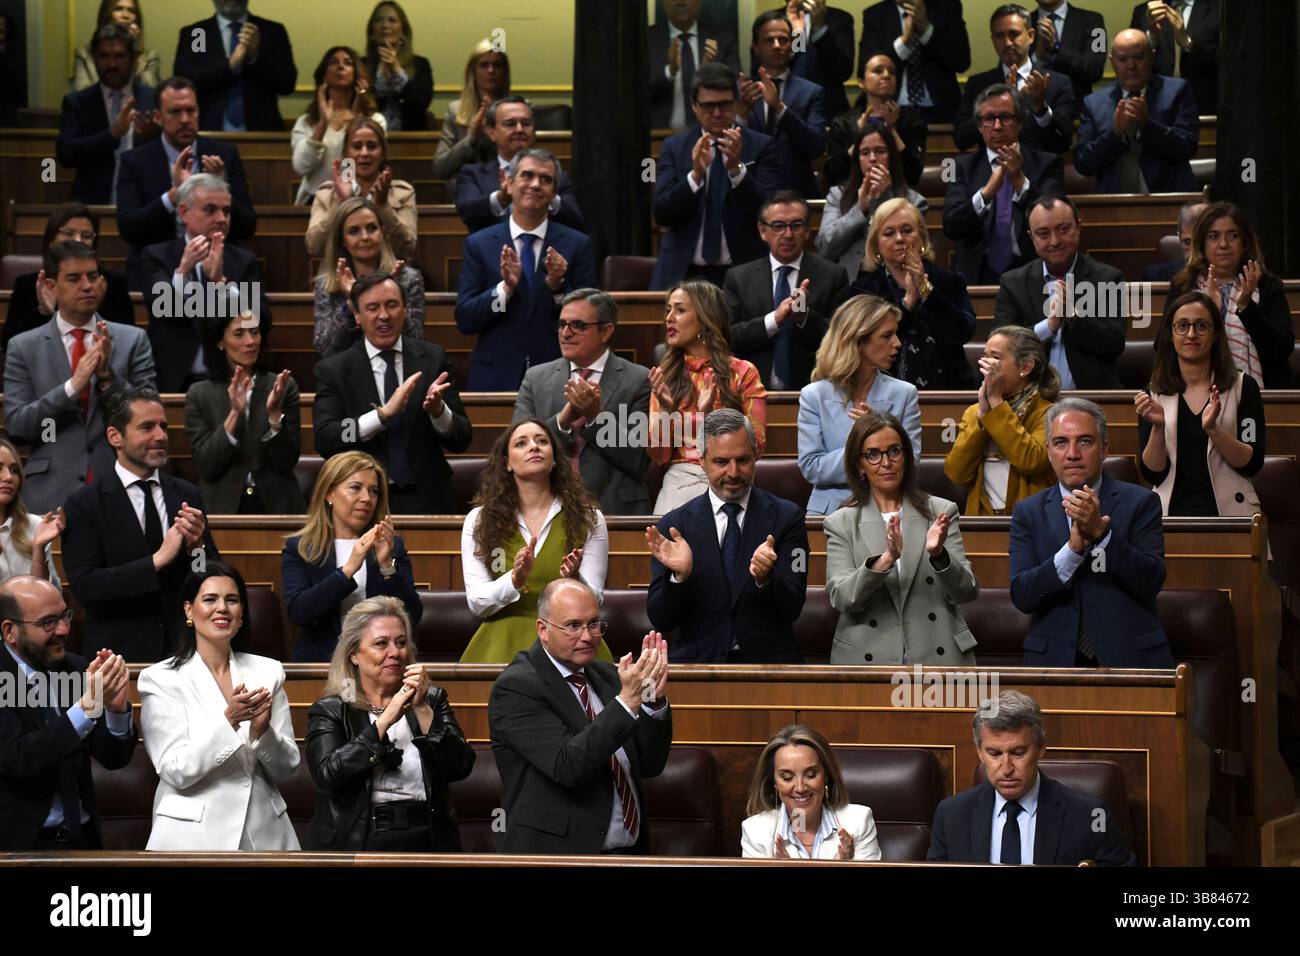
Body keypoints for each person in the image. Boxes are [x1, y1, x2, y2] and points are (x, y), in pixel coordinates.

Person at [488, 578, 672, 854]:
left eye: (594, 623)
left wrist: (651, 702)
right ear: (543, 629)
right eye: (574, 626)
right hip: (558, 856)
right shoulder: (516, 687)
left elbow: (651, 765)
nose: (587, 636)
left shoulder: (608, 677)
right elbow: (568, 766)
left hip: (628, 854)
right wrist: (627, 703)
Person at [137, 562, 300, 851]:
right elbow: (175, 770)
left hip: (263, 836)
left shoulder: (268, 671)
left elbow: (288, 768)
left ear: (241, 614)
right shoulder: (159, 679)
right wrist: (229, 722)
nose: (222, 608)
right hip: (192, 839)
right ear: (189, 610)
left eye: (232, 600)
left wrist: (263, 733)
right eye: (210, 599)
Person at [1009, 397, 1174, 667]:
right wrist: (1072, 552)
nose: (1072, 453)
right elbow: (1023, 595)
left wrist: (1102, 534)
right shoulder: (1028, 512)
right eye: (1061, 442)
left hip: (1131, 661)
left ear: (1104, 448)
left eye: (1085, 441)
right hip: (1054, 663)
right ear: (1049, 450)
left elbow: (1151, 581)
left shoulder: (1141, 502)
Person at [61, 387, 221, 663]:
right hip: (117, 658)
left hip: (183, 653)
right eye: (147, 427)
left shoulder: (187, 494)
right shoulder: (84, 503)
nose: (161, 436)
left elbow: (208, 577)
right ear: (115, 436)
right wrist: (156, 561)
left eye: (163, 426)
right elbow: (87, 589)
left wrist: (198, 548)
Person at [306, 597, 475, 851]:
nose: (395, 652)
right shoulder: (332, 709)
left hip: (428, 838)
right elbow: (327, 777)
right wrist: (384, 720)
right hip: (358, 841)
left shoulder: (431, 699)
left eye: (401, 642)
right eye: (381, 643)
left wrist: (422, 710)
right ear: (354, 655)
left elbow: (460, 766)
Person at [3, 242, 156, 514]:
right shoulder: (24, 347)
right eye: (74, 278)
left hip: (120, 482)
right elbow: (17, 427)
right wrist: (70, 388)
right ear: (50, 287)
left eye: (93, 276)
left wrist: (109, 378)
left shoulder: (132, 340)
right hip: (49, 490)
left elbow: (149, 419)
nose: (87, 286)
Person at [647, 409, 807, 662]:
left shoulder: (789, 519)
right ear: (702, 460)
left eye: (742, 460)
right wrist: (680, 578)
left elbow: (793, 606)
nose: (733, 472)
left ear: (757, 456)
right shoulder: (674, 526)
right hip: (697, 669)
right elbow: (660, 619)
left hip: (770, 668)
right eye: (721, 462)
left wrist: (766, 579)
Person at [824, 411, 978, 664]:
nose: (886, 462)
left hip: (937, 653)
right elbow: (842, 598)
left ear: (906, 457)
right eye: (873, 454)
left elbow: (967, 591)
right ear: (859, 465)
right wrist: (885, 560)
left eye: (894, 451)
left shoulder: (941, 511)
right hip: (868, 657)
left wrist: (939, 556)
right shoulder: (841, 522)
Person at [314, 273, 472, 515]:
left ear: (405, 309)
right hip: (363, 502)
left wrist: (439, 413)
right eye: (372, 308)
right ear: (357, 315)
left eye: (392, 305)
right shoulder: (334, 370)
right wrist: (380, 417)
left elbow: (461, 438)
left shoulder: (432, 359)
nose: (384, 315)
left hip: (429, 499)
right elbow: (327, 437)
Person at [0, 576, 135, 851]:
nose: (63, 629)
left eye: (65, 616)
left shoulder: (73, 668)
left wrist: (114, 709)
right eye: (47, 622)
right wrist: (86, 708)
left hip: (82, 840)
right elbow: (18, 759)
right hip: (18, 846)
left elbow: (113, 759)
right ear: (10, 631)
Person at [460, 419, 610, 664]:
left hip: (571, 642)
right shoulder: (479, 519)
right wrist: (514, 580)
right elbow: (477, 602)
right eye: (522, 443)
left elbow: (594, 600)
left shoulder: (589, 517)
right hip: (502, 643)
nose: (534, 447)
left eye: (542, 441)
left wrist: (574, 581)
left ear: (554, 458)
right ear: (507, 463)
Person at [929, 690, 1136, 864]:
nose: (1007, 768)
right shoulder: (950, 816)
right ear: (979, 752)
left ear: (1041, 748)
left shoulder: (1091, 816)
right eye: (995, 754)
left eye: (1018, 753)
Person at [454, 147, 597, 391]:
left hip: (556, 378)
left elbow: (590, 321)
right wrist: (504, 289)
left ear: (554, 193)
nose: (535, 184)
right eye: (527, 175)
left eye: (546, 179)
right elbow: (466, 320)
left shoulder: (577, 244)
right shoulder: (479, 244)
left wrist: (558, 288)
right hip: (495, 378)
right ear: (507, 183)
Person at [513, 288, 653, 516]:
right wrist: (563, 420)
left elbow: (638, 459)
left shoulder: (638, 380)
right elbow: (515, 447)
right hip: (547, 510)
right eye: (561, 324)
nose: (566, 333)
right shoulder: (535, 378)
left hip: (615, 511)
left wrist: (596, 418)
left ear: (606, 331)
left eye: (577, 325)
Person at [116, 75, 255, 291]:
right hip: (158, 269)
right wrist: (174, 195)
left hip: (220, 267)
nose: (184, 119)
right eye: (174, 112)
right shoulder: (135, 160)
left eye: (191, 111)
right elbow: (128, 228)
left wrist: (221, 187)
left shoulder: (224, 154)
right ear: (158, 117)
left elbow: (247, 227)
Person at [649, 62, 780, 290]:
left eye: (725, 105)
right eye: (708, 106)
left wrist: (737, 171)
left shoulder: (762, 146)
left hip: (741, 273)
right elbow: (661, 213)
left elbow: (769, 214)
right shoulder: (675, 147)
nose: (717, 113)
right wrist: (695, 176)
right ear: (694, 107)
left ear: (736, 103)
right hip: (683, 273)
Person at [282, 451, 422, 663]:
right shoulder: (300, 548)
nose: (366, 498)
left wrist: (387, 567)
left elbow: (412, 615)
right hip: (321, 663)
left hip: (381, 664)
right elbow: (299, 612)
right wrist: (347, 571)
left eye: (373, 491)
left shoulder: (392, 546)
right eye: (355, 488)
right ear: (329, 493)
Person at [1136, 292, 1265, 517]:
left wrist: (1214, 430)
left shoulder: (1243, 387)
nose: (1192, 334)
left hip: (1232, 512)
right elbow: (1153, 474)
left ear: (1215, 334)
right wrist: (1158, 426)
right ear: (1170, 334)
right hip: (1170, 513)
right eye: (1182, 326)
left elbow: (1251, 463)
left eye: (1202, 326)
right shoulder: (1153, 394)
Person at [140, 172, 271, 393]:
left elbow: (260, 319)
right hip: (174, 380)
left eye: (226, 211)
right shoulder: (157, 256)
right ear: (184, 212)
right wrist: (183, 272)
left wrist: (220, 282)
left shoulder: (244, 260)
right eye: (210, 210)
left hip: (230, 378)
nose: (221, 218)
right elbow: (164, 310)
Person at [648, 281, 768, 513]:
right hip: (680, 482)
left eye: (680, 310)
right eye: (668, 310)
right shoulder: (666, 376)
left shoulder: (743, 373)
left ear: (705, 318)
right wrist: (665, 409)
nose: (669, 318)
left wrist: (710, 417)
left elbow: (757, 445)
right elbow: (659, 456)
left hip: (732, 478)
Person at [799, 295, 921, 516]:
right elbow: (811, 467)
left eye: (895, 333)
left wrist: (877, 434)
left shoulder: (904, 393)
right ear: (858, 341)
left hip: (888, 510)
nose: (897, 343)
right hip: (830, 512)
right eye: (886, 336)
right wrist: (863, 445)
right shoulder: (813, 395)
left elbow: (911, 463)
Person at [993, 196, 1126, 390]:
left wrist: (1073, 317)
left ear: (1078, 227)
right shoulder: (1013, 283)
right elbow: (1001, 347)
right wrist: (1049, 326)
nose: (1055, 241)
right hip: (1029, 401)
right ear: (1032, 237)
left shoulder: (1108, 278)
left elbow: (1114, 345)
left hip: (1093, 400)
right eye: (1043, 233)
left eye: (1063, 230)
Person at [724, 190, 851, 390]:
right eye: (778, 226)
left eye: (796, 225)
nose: (788, 234)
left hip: (814, 390)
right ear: (762, 231)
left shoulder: (832, 275)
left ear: (808, 230)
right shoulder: (739, 278)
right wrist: (773, 320)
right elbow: (728, 337)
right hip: (750, 390)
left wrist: (804, 318)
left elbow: (842, 338)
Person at [184, 313, 306, 515]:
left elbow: (287, 460)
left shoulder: (282, 386)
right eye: (239, 334)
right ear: (220, 341)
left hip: (278, 504)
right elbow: (206, 465)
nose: (250, 342)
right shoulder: (200, 393)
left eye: (255, 333)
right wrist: (234, 413)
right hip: (222, 506)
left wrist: (275, 417)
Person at [849, 197, 976, 389]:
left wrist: (926, 291)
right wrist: (907, 303)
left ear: (922, 237)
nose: (899, 238)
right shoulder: (864, 289)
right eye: (889, 233)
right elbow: (863, 343)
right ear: (876, 245)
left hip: (949, 389)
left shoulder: (950, 280)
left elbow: (964, 332)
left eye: (907, 230)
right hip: (884, 392)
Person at [943, 83, 1065, 285]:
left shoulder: (1048, 163)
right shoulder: (959, 167)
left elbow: (1054, 220)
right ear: (980, 127)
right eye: (989, 119)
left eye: (1005, 117)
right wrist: (986, 194)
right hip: (977, 273)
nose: (998, 126)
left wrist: (1020, 182)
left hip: (1032, 270)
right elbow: (951, 226)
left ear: (1020, 122)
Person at [1168, 201, 1295, 389]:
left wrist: (1246, 307)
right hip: (1196, 394)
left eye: (1233, 236)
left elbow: (1281, 350)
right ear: (1202, 244)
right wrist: (1209, 311)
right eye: (1213, 236)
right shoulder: (1183, 287)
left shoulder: (1267, 286)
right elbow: (1163, 347)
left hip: (1264, 398)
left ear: (1244, 243)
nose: (1223, 245)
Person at [944, 325, 1059, 515]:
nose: (986, 364)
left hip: (1031, 521)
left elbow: (1031, 461)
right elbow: (956, 473)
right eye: (985, 356)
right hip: (983, 522)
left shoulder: (1049, 414)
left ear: (1026, 367)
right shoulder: (974, 413)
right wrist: (982, 418)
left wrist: (996, 403)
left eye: (995, 358)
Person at [1072, 29, 1198, 194]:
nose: (1131, 66)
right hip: (1114, 207)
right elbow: (1083, 164)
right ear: (1112, 62)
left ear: (1152, 56)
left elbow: (1187, 146)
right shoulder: (1094, 103)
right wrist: (1115, 134)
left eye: (1139, 58)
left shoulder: (1177, 91)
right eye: (1122, 59)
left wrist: (1146, 125)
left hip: (1167, 200)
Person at [2, 205, 136, 349]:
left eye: (86, 236)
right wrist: (43, 313)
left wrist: (94, 307)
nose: (78, 241)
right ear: (51, 240)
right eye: (69, 233)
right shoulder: (28, 284)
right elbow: (8, 344)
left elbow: (129, 342)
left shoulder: (112, 283)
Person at [741, 723, 881, 859]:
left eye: (811, 775)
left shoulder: (858, 822)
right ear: (774, 783)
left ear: (826, 775)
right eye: (787, 777)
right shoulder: (756, 831)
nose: (800, 788)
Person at [952, 4, 1076, 154]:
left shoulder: (1056, 83)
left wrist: (1040, 108)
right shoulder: (978, 84)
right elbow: (961, 140)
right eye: (999, 36)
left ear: (1031, 36)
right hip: (992, 172)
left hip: (1039, 173)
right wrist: (991, 108)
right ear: (993, 40)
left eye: (1014, 34)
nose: (1007, 43)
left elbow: (1063, 142)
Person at [58, 22, 158, 205]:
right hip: (92, 205)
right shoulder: (78, 102)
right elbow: (66, 154)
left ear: (134, 59)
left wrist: (154, 136)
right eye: (104, 56)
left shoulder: (153, 98)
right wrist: (111, 135)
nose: (112, 64)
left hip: (144, 204)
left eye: (120, 56)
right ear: (94, 58)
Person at [313, 196, 424, 357]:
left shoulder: (407, 278)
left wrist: (392, 293)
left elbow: (415, 341)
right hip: (346, 374)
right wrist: (351, 305)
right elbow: (326, 349)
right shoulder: (327, 284)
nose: (365, 237)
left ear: (382, 232)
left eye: (372, 228)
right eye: (354, 231)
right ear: (342, 240)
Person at [453, 96, 585, 233]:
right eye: (510, 124)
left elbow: (576, 222)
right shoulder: (473, 174)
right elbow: (467, 213)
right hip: (493, 252)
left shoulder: (556, 177)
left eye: (526, 123)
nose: (519, 129)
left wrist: (550, 196)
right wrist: (501, 199)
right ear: (491, 132)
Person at [819, 122, 928, 280]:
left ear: (891, 156)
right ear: (858, 159)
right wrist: (860, 208)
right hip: (850, 284)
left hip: (898, 282)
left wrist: (884, 198)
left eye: (880, 151)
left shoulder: (915, 202)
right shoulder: (837, 195)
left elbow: (913, 250)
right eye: (864, 153)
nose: (872, 159)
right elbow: (825, 248)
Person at [172, 0, 297, 133]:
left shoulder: (271, 31)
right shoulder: (199, 34)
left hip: (262, 133)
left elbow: (286, 85)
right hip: (209, 132)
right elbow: (188, 81)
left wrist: (254, 58)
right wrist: (230, 65)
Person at [742, 11, 828, 201]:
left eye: (783, 39)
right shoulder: (743, 91)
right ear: (755, 47)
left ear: (792, 44)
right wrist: (741, 114)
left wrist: (779, 108)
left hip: (796, 194)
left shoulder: (811, 92)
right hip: (749, 194)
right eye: (769, 40)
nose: (777, 46)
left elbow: (816, 146)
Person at [304, 117, 417, 260]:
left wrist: (383, 207)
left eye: (371, 146)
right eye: (357, 146)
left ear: (382, 154)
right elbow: (314, 247)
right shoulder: (326, 193)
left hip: (390, 275)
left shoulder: (403, 193)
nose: (364, 153)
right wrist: (341, 201)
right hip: (340, 274)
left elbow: (406, 249)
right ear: (346, 154)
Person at [291, 46, 381, 205]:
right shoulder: (306, 122)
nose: (340, 66)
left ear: (357, 75)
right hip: (314, 201)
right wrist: (323, 124)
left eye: (347, 63)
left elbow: (361, 164)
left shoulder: (374, 121)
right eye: (334, 62)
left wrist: (355, 124)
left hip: (355, 200)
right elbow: (302, 167)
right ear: (324, 75)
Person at [857, 0, 971, 124]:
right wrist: (904, 42)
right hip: (890, 110)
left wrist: (926, 30)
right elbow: (866, 67)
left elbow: (962, 61)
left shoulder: (947, 8)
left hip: (941, 111)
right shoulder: (875, 14)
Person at [824, 52, 927, 189]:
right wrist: (859, 136)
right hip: (852, 194)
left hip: (898, 194)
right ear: (862, 82)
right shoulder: (842, 123)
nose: (886, 75)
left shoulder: (911, 120)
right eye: (878, 71)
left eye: (892, 72)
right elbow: (834, 173)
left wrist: (892, 131)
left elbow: (914, 173)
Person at [648, 0, 741, 130]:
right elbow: (636, 94)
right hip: (659, 136)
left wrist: (708, 75)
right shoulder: (647, 39)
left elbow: (736, 89)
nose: (680, 2)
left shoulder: (722, 37)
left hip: (712, 135)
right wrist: (670, 71)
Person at [433, 39, 510, 180]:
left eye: (497, 65)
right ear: (473, 71)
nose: (491, 70)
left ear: (505, 71)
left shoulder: (518, 110)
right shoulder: (455, 111)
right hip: (467, 188)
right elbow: (440, 169)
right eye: (484, 65)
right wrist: (471, 139)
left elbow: (528, 160)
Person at [1130, 0, 1218, 114]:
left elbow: (1226, 63)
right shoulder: (1144, 12)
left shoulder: (1219, 8)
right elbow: (1131, 63)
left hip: (1204, 108)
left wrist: (1187, 43)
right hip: (1155, 109)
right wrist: (1152, 37)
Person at [0, 438, 63, 587]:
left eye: (14, 470)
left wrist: (38, 550)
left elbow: (49, 598)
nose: (8, 477)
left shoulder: (35, 525)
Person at [364, 2, 433, 131]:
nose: (385, 25)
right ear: (372, 32)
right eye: (379, 20)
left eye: (392, 20)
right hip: (368, 139)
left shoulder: (420, 64)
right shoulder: (361, 65)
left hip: (411, 141)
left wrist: (396, 69)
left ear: (403, 30)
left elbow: (420, 104)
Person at [783, 0, 857, 118]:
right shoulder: (773, 20)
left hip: (828, 112)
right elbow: (764, 69)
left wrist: (819, 28)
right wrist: (798, 36)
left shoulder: (840, 19)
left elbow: (843, 72)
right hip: (784, 108)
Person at [71, 0, 161, 91]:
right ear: (106, 15)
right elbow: (82, 95)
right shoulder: (84, 55)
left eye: (131, 11)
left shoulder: (149, 58)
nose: (125, 15)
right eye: (118, 9)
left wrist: (133, 50)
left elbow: (152, 95)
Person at [1030, 1, 1107, 102]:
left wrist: (1056, 48)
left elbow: (1095, 69)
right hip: (1030, 110)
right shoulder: (1018, 23)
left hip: (1078, 111)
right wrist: (1038, 56)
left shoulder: (1094, 21)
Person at [1141, 198, 1206, 282]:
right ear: (1179, 237)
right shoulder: (1155, 276)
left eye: (1202, 241)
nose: (1196, 252)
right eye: (1188, 242)